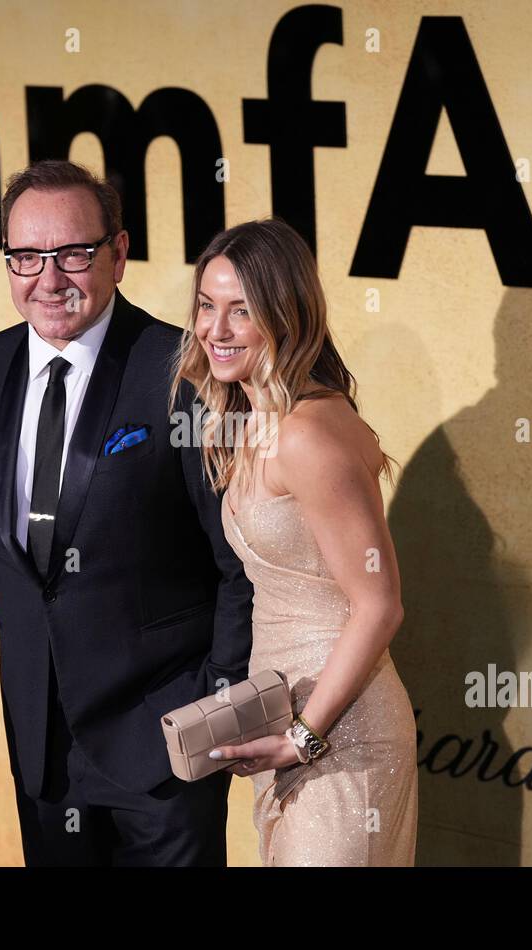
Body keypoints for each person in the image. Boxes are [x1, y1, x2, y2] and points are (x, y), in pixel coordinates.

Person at [0, 159, 253, 866]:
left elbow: (241, 565)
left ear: (119, 253)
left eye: (73, 253)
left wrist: (215, 711)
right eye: (26, 257)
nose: (49, 278)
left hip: (169, 750)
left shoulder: (186, 374)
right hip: (41, 753)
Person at [172, 218, 419, 865]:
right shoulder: (252, 420)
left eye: (240, 311)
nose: (214, 330)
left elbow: (380, 605)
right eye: (206, 306)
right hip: (287, 727)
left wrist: (304, 738)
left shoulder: (308, 433)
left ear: (286, 315)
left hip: (342, 736)